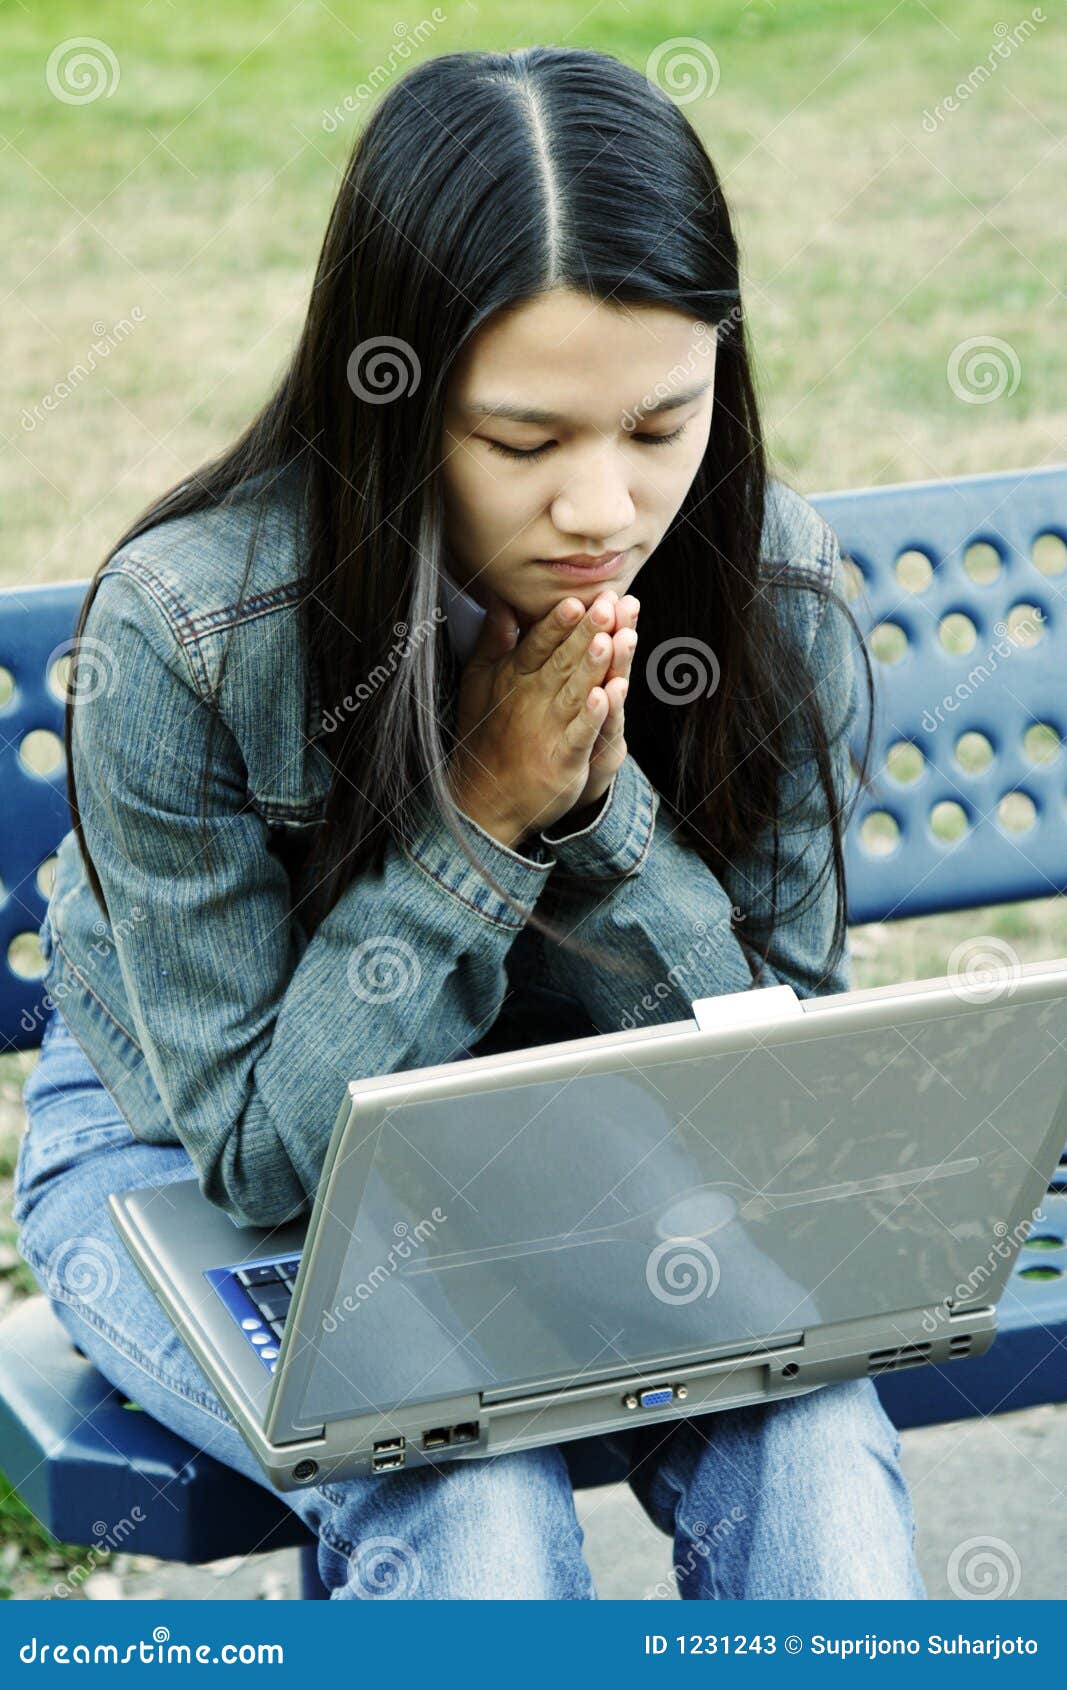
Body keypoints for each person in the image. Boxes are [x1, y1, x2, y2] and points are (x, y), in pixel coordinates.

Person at [13, 44, 923, 1599]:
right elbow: (256, 1153)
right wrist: (484, 821)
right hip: (175, 1157)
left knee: (815, 1425)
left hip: (586, 1135)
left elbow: (768, 1091)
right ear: (393, 394)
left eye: (658, 427)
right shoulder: (191, 629)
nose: (602, 510)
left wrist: (601, 816)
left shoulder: (776, 595)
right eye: (522, 442)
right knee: (455, 1467)